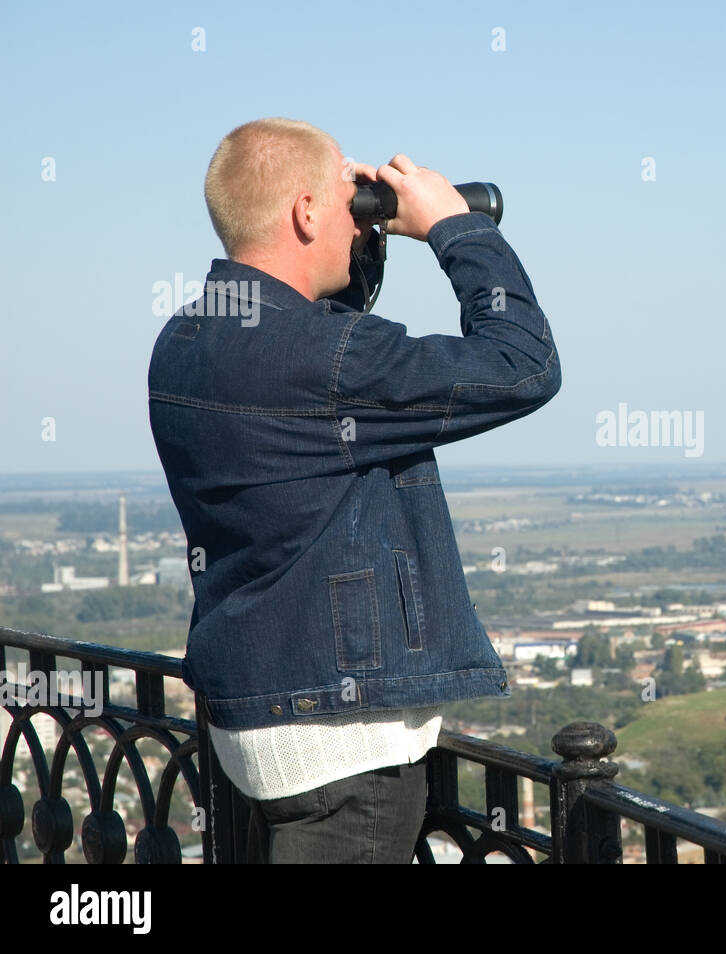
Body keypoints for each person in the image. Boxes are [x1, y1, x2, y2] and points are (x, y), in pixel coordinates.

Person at [147, 117, 561, 863]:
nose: (361, 207)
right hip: (344, 754)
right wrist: (455, 230)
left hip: (255, 718)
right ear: (306, 213)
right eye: (349, 194)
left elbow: (317, 369)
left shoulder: (184, 341)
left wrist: (359, 250)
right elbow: (522, 363)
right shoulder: (325, 360)